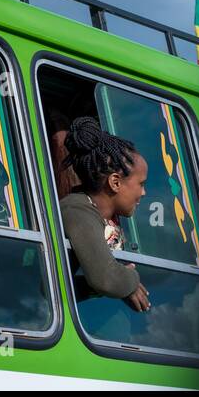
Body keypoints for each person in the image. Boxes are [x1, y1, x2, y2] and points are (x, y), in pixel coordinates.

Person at [59, 116, 151, 313]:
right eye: (141, 184)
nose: (143, 193)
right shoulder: (76, 209)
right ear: (115, 182)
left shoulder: (109, 219)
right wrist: (130, 280)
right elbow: (106, 278)